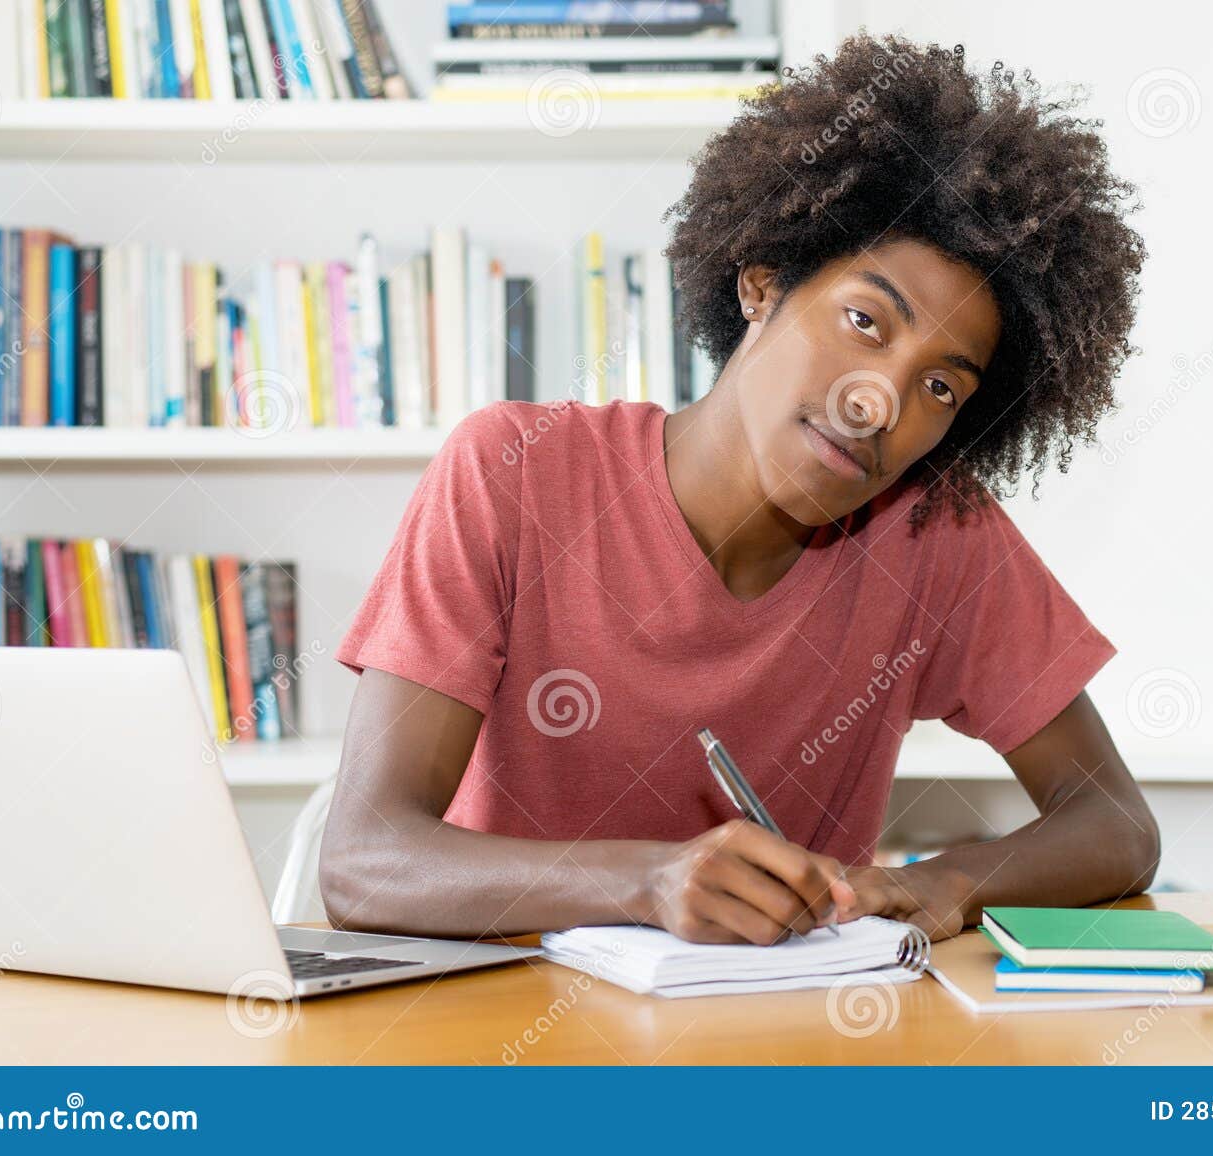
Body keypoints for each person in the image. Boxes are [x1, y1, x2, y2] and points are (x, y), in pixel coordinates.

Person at [321, 32, 1158, 946]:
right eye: (863, 321)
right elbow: (365, 862)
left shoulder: (936, 538)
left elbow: (1117, 827)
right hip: (510, 1043)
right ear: (762, 284)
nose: (881, 402)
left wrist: (943, 883)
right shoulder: (514, 473)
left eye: (942, 386)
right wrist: (646, 880)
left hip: (784, 1041)